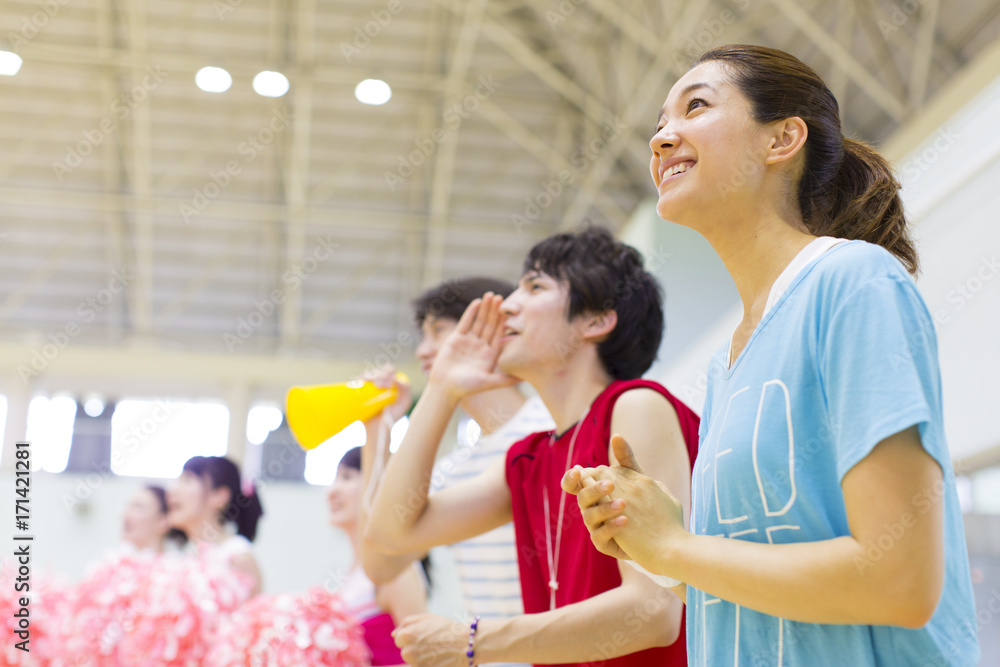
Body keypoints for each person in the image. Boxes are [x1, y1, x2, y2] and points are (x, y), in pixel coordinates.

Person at [563, 44, 980, 666]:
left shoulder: (854, 282)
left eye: (695, 107)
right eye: (657, 126)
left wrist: (675, 546)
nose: (661, 139)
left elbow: (898, 581)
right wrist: (651, 540)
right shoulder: (727, 358)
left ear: (782, 139)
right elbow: (751, 589)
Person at [365, 227, 700, 667]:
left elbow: (654, 611)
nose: (506, 305)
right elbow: (391, 534)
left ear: (596, 319)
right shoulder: (529, 458)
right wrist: (441, 390)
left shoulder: (636, 405)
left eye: (535, 285)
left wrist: (473, 641)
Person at [358, 277, 554, 667]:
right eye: (423, 335)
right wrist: (376, 432)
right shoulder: (459, 465)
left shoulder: (550, 427)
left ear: (492, 327)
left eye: (438, 331)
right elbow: (381, 559)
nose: (423, 351)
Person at [331, 446, 427, 666]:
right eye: (334, 479)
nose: (332, 490)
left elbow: (423, 658)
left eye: (347, 477)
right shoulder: (349, 574)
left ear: (380, 486)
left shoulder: (394, 570)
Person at [167, 454, 265, 595]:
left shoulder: (237, 558)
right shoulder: (183, 554)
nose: (173, 490)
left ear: (219, 495)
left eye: (187, 480)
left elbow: (253, 615)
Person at [121, 485, 182, 553]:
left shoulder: (178, 562)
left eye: (138, 507)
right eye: (129, 506)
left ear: (163, 522)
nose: (126, 515)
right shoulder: (113, 560)